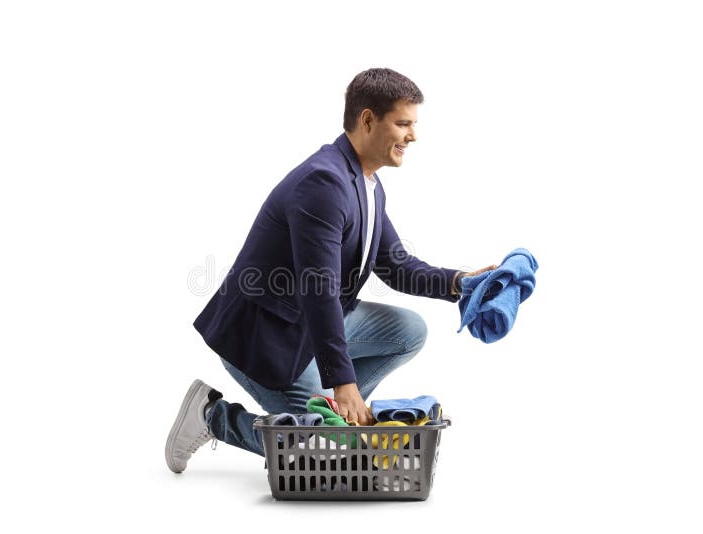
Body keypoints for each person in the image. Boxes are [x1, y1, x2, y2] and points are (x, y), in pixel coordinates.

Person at [165, 67, 496, 473]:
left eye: (413, 124)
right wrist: (344, 382)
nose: (413, 136)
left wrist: (463, 283)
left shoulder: (365, 181)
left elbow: (395, 265)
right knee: (323, 454)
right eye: (403, 123)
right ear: (368, 120)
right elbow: (318, 289)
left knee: (409, 331)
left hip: (307, 329)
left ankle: (331, 412)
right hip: (264, 338)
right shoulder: (323, 183)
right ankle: (212, 416)